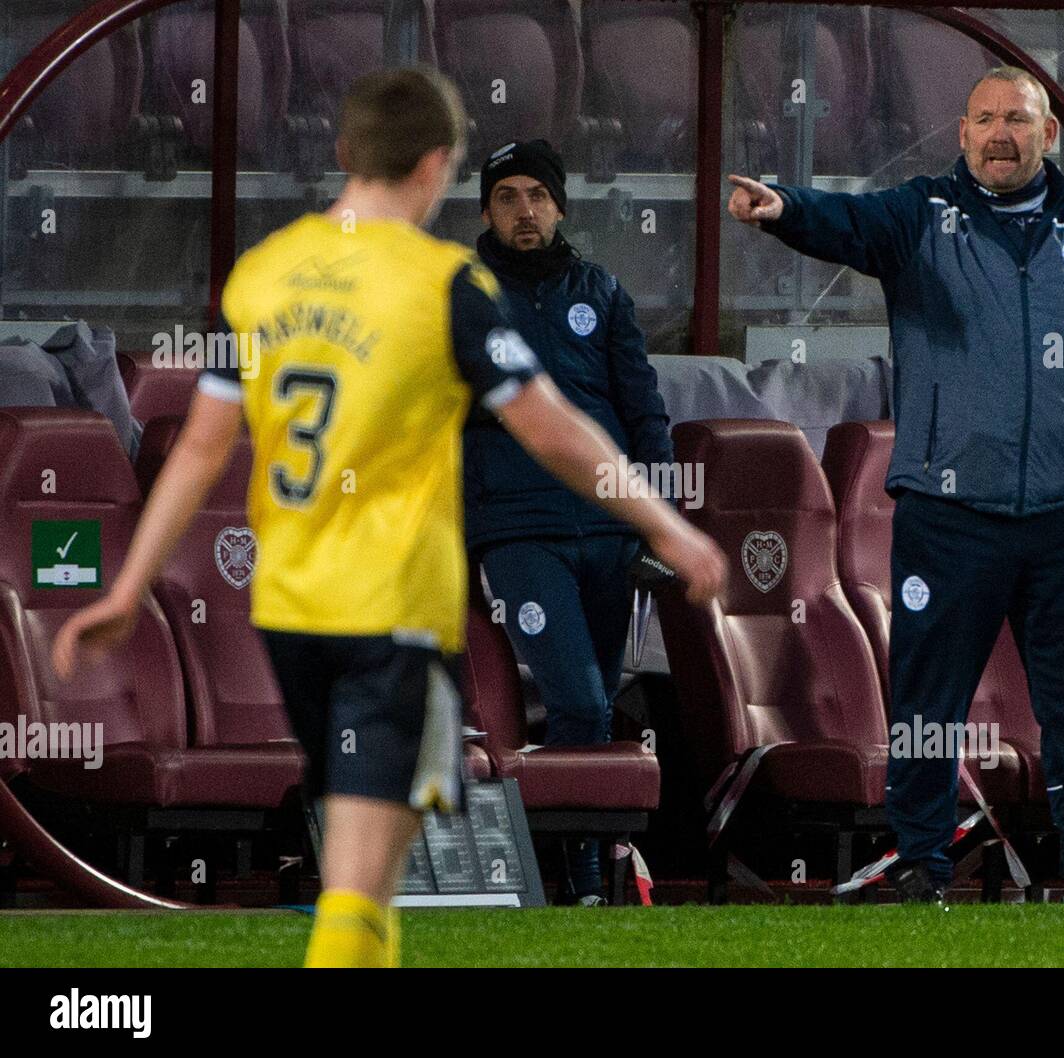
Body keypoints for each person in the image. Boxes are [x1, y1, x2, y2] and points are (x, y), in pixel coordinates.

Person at [50, 68, 725, 966]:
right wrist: (671, 525)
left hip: (290, 611)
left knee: (362, 883)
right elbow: (552, 426)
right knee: (363, 889)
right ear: (438, 165)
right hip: (394, 611)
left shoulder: (261, 275)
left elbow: (203, 449)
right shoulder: (442, 281)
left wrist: (129, 586)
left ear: (343, 154)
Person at [728, 65, 1064, 903]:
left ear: (1048, 134)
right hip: (948, 516)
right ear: (960, 132)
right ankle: (921, 860)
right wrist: (785, 208)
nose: (1000, 134)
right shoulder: (920, 216)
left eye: (1017, 120)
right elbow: (850, 221)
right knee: (928, 702)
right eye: (984, 118)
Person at [468, 139, 674, 904]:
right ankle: (582, 875)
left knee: (597, 699)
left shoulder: (603, 292)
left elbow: (643, 412)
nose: (525, 210)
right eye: (508, 197)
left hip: (608, 530)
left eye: (538, 196)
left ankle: (583, 875)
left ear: (560, 206)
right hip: (520, 532)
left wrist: (660, 522)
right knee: (580, 699)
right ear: (487, 210)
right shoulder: (463, 298)